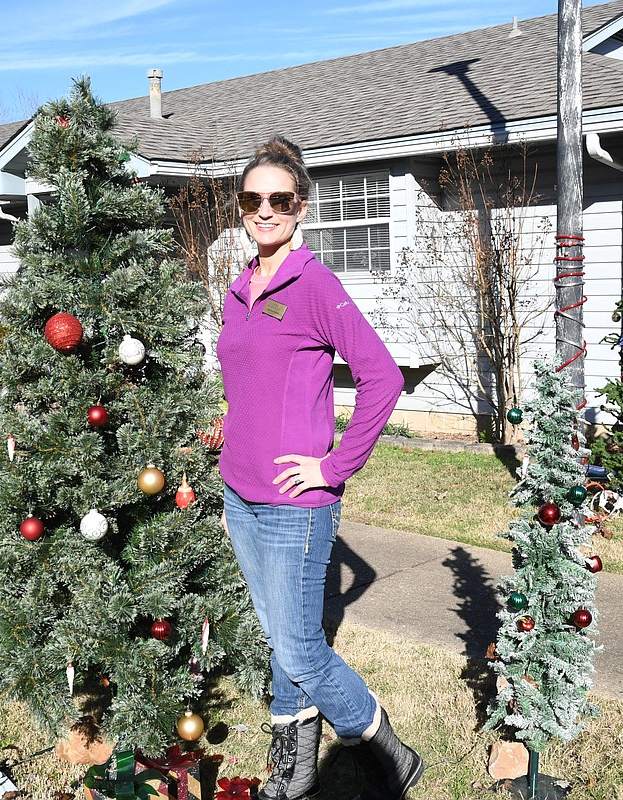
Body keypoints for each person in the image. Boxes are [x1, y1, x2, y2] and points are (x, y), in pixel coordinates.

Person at [217, 135, 422, 800]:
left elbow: (382, 378)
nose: (265, 209)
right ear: (242, 208)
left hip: (294, 504)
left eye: (279, 198)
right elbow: (253, 380)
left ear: (300, 207)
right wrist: (232, 423)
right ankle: (297, 769)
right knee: (280, 637)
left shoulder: (315, 283)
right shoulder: (239, 288)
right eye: (253, 199)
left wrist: (335, 466)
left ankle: (388, 750)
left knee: (301, 648)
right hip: (239, 492)